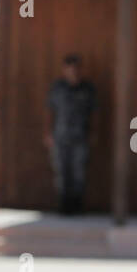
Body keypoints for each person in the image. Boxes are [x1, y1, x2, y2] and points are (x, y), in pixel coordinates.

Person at [44, 54, 96, 215]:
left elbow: (95, 112)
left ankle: (77, 204)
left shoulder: (88, 89)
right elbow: (49, 110)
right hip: (60, 136)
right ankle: (63, 205)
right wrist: (48, 133)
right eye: (69, 68)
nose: (73, 72)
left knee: (79, 171)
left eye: (76, 68)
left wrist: (94, 133)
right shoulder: (58, 88)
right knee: (61, 171)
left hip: (80, 136)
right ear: (64, 70)